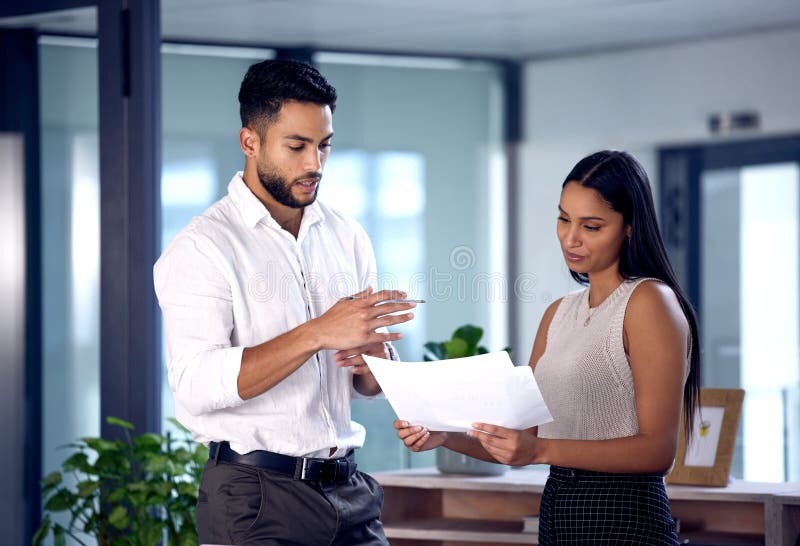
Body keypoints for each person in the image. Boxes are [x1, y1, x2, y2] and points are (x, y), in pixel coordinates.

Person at [154, 59, 415, 546]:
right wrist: (318, 331)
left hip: (349, 491)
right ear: (249, 142)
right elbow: (194, 385)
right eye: (296, 146)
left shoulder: (347, 235)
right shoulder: (202, 247)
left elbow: (365, 386)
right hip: (255, 497)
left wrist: (372, 361)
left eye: (324, 145)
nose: (314, 163)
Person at [395, 150, 700, 545]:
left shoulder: (649, 302)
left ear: (629, 227)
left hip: (625, 516)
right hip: (558, 508)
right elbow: (523, 435)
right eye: (563, 219)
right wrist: (445, 435)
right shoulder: (558, 313)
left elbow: (658, 451)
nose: (570, 238)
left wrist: (539, 450)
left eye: (591, 226)